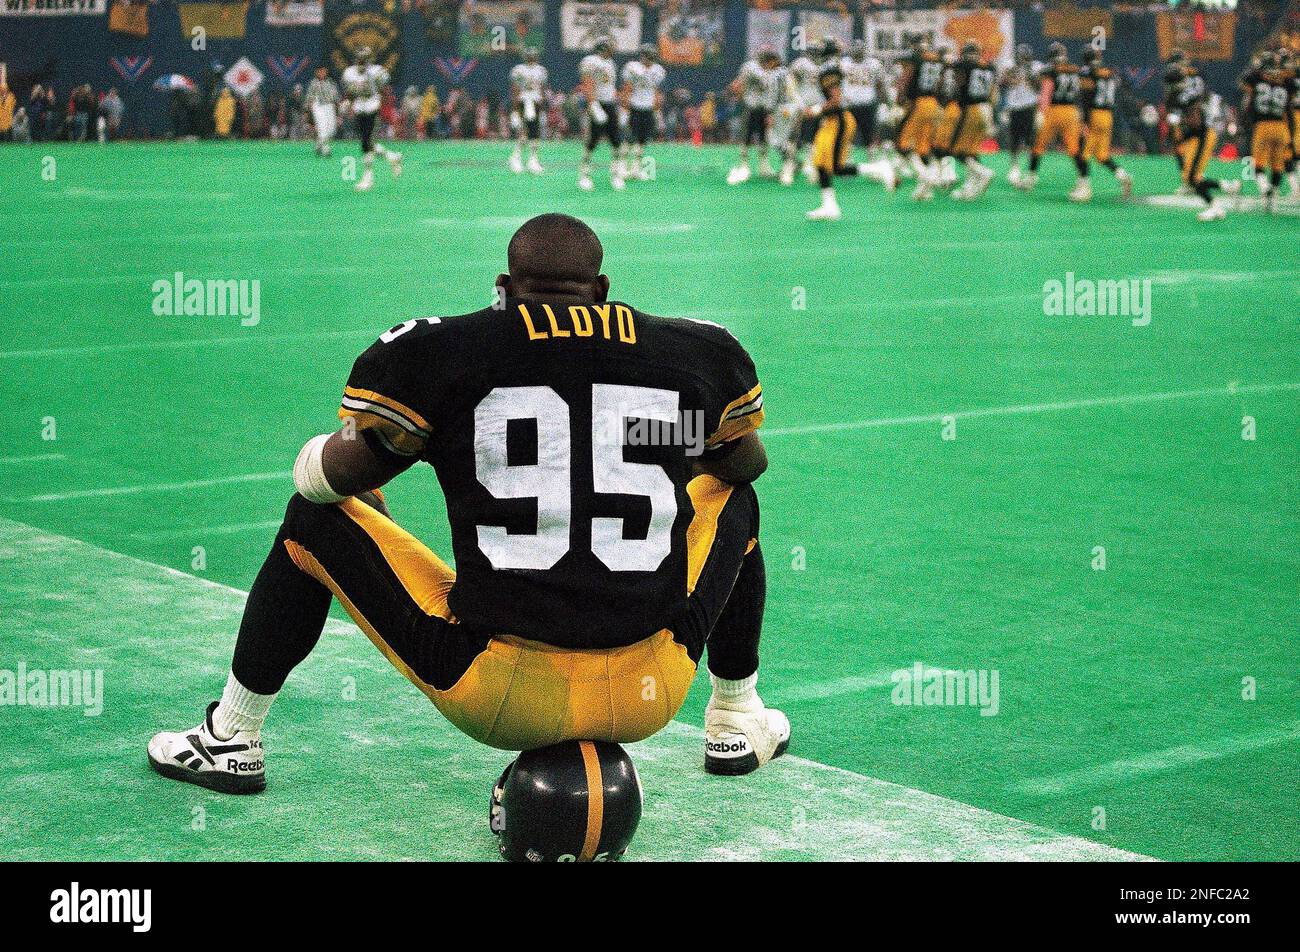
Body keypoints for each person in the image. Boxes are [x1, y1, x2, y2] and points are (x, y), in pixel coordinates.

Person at [147, 213, 790, 791]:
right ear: (601, 289)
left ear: (505, 287)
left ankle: (232, 736)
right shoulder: (688, 353)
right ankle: (735, 717)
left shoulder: (445, 354)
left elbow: (338, 477)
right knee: (733, 499)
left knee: (311, 520)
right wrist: (646, 427)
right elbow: (744, 462)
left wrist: (323, 462)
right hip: (654, 681)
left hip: (500, 687)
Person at [341, 46, 403, 191]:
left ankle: (368, 177)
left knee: (367, 143)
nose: (361, 63)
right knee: (367, 142)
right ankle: (392, 157)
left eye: (364, 60)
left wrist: (387, 107)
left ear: (369, 61)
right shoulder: (350, 73)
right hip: (359, 107)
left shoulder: (376, 72)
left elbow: (385, 89)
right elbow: (350, 91)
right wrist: (347, 102)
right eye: (359, 60)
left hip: (372, 106)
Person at [1077, 47, 1133, 202]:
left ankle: (1084, 188)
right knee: (1101, 155)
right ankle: (1123, 175)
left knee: (1083, 153)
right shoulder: (1109, 72)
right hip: (1108, 115)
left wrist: (1085, 122)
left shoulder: (1087, 73)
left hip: (1095, 114)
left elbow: (1086, 98)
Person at [726, 45, 783, 184]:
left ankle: (763, 165)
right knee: (747, 137)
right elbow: (738, 85)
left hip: (766, 108)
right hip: (751, 107)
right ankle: (744, 165)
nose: (775, 65)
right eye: (773, 62)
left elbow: (774, 91)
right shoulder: (751, 68)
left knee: (764, 137)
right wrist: (739, 95)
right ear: (767, 60)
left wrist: (772, 112)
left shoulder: (775, 72)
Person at [577, 38, 624, 190]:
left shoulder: (610, 63)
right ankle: (584, 175)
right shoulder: (591, 61)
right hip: (598, 103)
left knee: (616, 140)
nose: (613, 49)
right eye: (610, 46)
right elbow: (587, 82)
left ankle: (616, 173)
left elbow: (610, 86)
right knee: (592, 141)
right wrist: (593, 104)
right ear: (603, 47)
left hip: (610, 104)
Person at [621, 43, 666, 180]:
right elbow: (627, 88)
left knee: (641, 140)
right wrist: (624, 108)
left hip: (648, 108)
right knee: (629, 139)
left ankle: (635, 168)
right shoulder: (633, 67)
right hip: (634, 106)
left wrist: (657, 110)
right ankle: (622, 167)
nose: (649, 58)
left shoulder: (658, 70)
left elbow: (657, 91)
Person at [1001, 44, 1038, 186]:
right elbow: (1003, 83)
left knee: (1030, 139)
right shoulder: (1010, 66)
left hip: (1029, 107)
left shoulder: (1035, 67)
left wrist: (1029, 74)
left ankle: (1030, 171)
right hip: (1014, 107)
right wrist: (1012, 73)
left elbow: (1038, 87)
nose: (1022, 60)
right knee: (1014, 139)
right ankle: (1015, 167)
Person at [509, 46, 547, 174]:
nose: (531, 58)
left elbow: (541, 90)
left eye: (533, 55)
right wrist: (514, 110)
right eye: (529, 55)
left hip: (535, 102)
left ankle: (533, 159)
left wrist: (542, 108)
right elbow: (515, 90)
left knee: (535, 133)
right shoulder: (519, 70)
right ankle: (516, 157)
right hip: (524, 101)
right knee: (524, 131)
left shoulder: (541, 70)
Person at [305, 67, 339, 157]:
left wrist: (338, 111)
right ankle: (325, 148)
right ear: (316, 72)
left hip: (329, 106)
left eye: (324, 71)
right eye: (320, 71)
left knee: (331, 129)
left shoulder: (331, 82)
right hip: (318, 106)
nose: (322, 73)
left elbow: (336, 97)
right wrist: (307, 112)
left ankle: (319, 144)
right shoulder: (313, 83)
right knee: (322, 127)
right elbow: (309, 97)